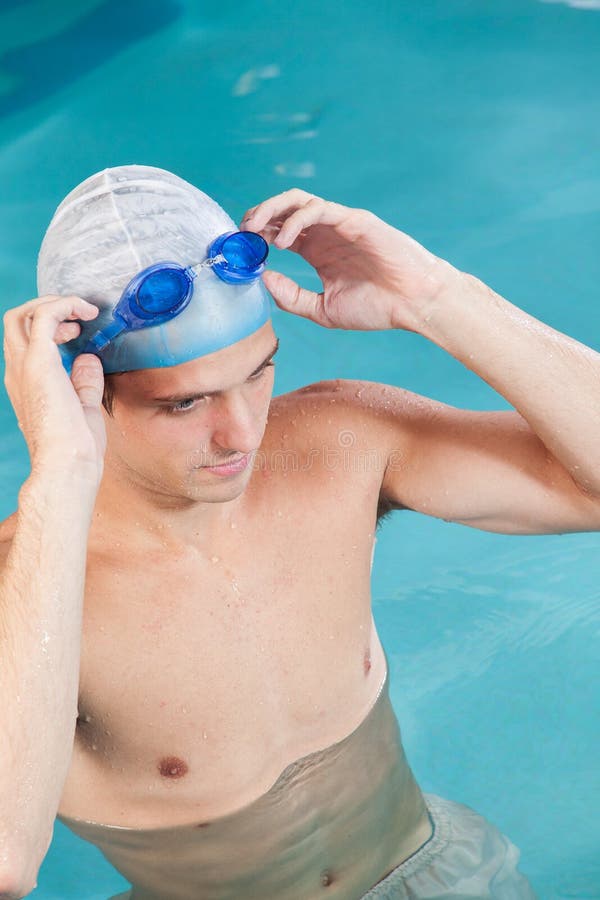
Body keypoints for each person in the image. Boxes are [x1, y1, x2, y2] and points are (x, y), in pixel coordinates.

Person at [1, 165, 598, 900]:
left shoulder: (339, 444)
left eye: (258, 373)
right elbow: (8, 859)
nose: (241, 434)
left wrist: (440, 299)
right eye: (185, 405)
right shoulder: (27, 586)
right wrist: (59, 476)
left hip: (434, 873)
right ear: (79, 389)